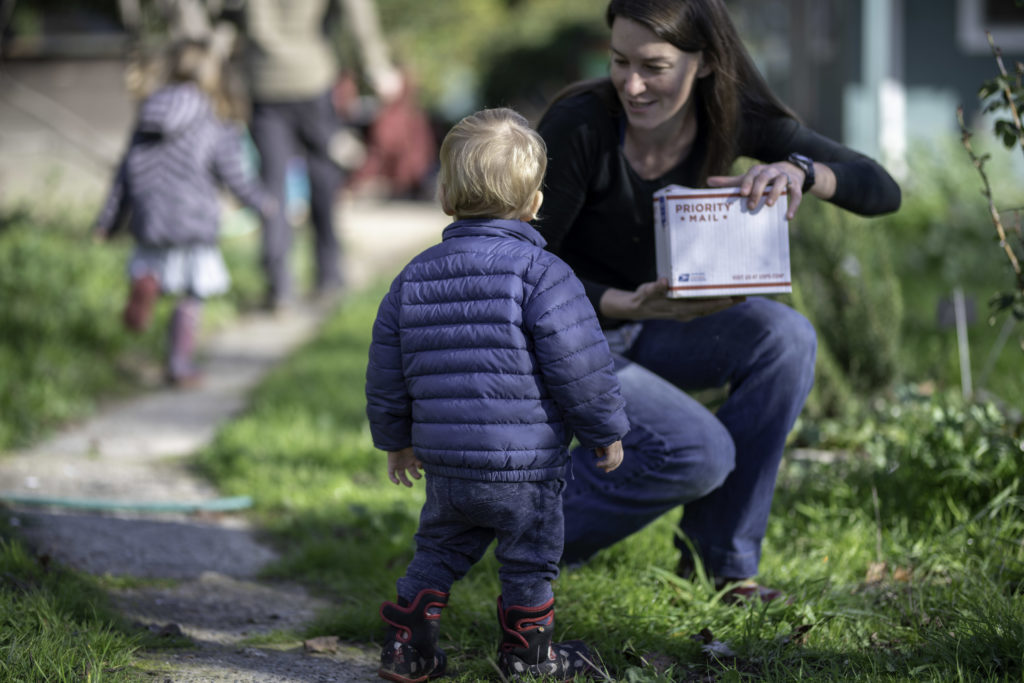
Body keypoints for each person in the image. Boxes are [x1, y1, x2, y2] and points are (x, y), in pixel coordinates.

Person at [534, 0, 901, 603]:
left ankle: (720, 564)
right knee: (699, 452)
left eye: (654, 66)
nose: (631, 83)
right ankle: (525, 533)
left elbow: (882, 190)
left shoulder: (731, 115)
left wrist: (802, 173)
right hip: (574, 335)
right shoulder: (581, 125)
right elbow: (521, 270)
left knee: (786, 338)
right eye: (620, 61)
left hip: (660, 324)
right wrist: (621, 303)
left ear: (704, 63)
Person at [365, 108, 629, 681]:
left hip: (448, 468)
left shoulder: (413, 276)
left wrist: (396, 441)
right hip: (526, 469)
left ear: (443, 196)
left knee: (437, 552)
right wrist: (605, 428)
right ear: (534, 204)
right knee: (530, 562)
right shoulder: (544, 273)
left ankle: (408, 646)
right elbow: (579, 363)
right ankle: (527, 658)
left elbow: (386, 368)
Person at [95, 38, 274, 387]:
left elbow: (123, 176)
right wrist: (262, 203)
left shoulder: (146, 117)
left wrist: (107, 222)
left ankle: (147, 282)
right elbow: (234, 176)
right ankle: (178, 364)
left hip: (150, 220)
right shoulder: (214, 123)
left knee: (159, 271)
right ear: (212, 76)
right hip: (192, 223)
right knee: (192, 295)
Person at [234, 0, 402, 309]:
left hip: (263, 80)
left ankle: (279, 287)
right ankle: (329, 277)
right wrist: (376, 64)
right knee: (323, 177)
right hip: (312, 76)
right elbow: (357, 11)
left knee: (272, 185)